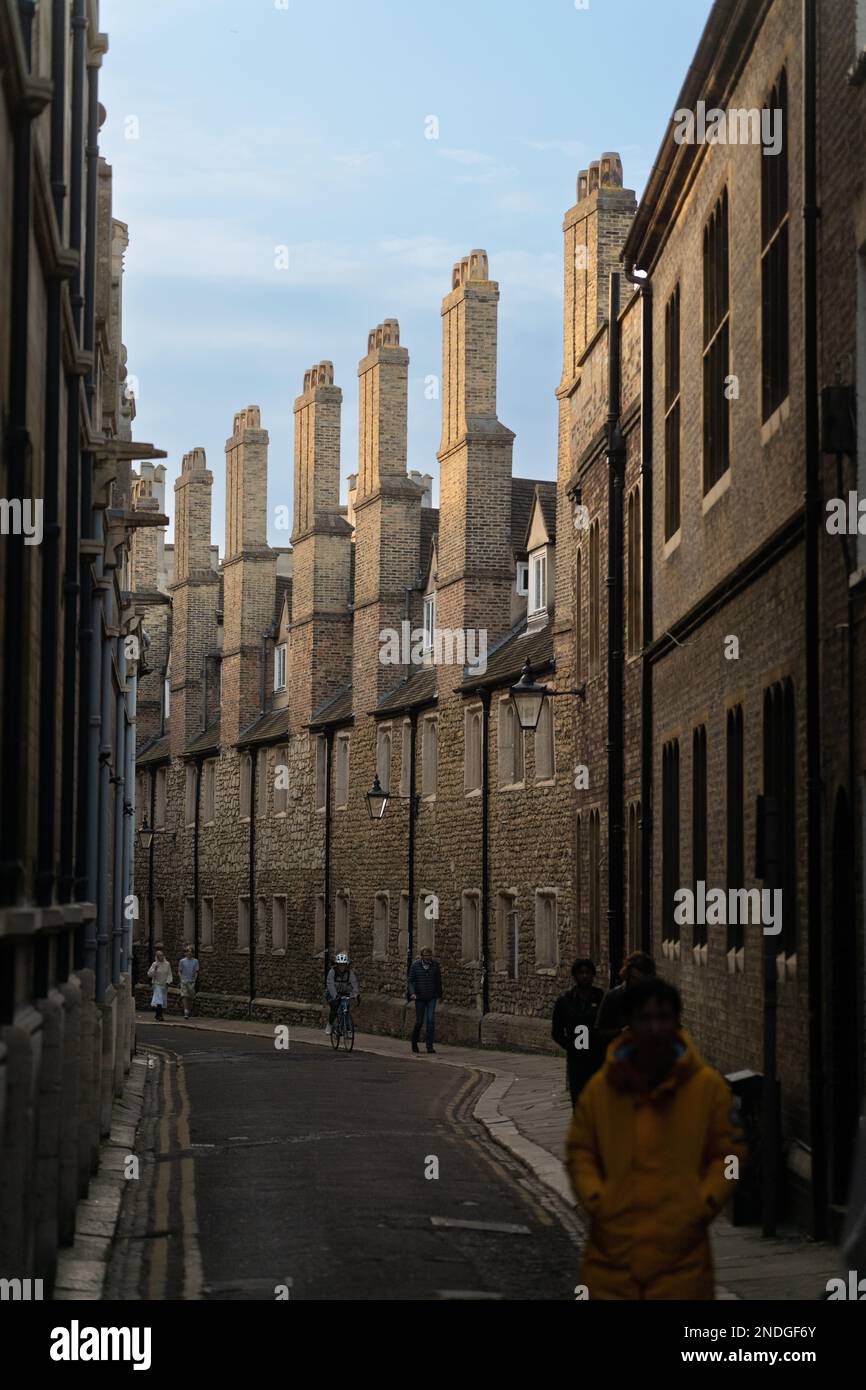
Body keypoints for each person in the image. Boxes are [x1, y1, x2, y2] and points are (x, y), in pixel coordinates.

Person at [567, 976, 742, 1300]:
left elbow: (728, 1156)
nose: (655, 1027)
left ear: (676, 1023)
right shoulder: (602, 1090)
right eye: (644, 1018)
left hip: (682, 1263)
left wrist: (705, 1202)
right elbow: (581, 1152)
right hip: (613, 1264)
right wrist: (597, 1199)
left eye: (663, 1018)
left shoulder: (707, 1088)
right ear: (629, 1025)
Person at [551, 958, 605, 1106]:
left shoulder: (600, 998)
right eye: (581, 973)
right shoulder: (565, 1001)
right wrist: (570, 1045)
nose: (585, 976)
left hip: (597, 1057)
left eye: (588, 973)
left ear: (593, 975)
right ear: (575, 976)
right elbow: (556, 1031)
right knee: (579, 1097)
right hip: (576, 1058)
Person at [594, 950, 656, 1050]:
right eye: (634, 978)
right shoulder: (613, 997)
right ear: (627, 976)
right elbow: (598, 1032)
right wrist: (620, 1032)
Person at [408, 947, 443, 1054]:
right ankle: (414, 1043)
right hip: (419, 998)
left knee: (430, 1021)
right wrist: (412, 993)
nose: (428, 958)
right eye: (426, 956)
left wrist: (439, 994)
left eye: (430, 956)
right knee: (419, 1021)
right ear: (422, 956)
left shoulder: (435, 965)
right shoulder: (415, 966)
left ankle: (429, 1046)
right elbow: (410, 981)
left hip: (431, 997)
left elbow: (438, 981)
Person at [324, 951, 359, 1035]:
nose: (342, 967)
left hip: (344, 992)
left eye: (343, 964)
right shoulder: (332, 972)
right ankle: (330, 1024)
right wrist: (335, 995)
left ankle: (347, 1029)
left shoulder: (349, 973)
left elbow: (354, 983)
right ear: (337, 964)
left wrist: (356, 994)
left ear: (346, 965)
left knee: (346, 1008)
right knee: (334, 1007)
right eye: (340, 964)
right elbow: (330, 984)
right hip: (332, 993)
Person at [147, 946, 172, 1023]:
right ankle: (160, 1016)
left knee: (162, 1000)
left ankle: (157, 1015)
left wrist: (168, 981)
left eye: (161, 955)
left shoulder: (167, 964)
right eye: (159, 956)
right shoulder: (154, 964)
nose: (160, 957)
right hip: (157, 983)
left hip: (164, 984)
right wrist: (155, 969)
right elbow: (149, 974)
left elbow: (169, 974)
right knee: (159, 999)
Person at [178, 943, 199, 1019]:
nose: (189, 953)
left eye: (191, 951)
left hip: (191, 981)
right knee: (184, 996)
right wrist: (181, 979)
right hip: (184, 981)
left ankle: (189, 1009)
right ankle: (186, 1011)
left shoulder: (195, 961)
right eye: (187, 951)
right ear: (185, 953)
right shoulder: (182, 961)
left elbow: (196, 971)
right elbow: (179, 971)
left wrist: (194, 980)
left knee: (190, 997)